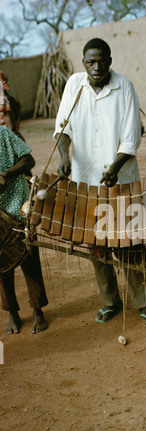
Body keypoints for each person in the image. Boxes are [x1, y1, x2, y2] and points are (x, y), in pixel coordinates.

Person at [54, 38, 146, 327]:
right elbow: (63, 128)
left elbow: (131, 137)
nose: (96, 67)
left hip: (121, 179)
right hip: (86, 180)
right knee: (96, 244)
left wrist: (114, 167)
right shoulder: (74, 85)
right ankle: (110, 301)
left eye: (101, 60)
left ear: (110, 59)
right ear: (83, 62)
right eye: (90, 61)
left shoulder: (124, 86)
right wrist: (65, 156)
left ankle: (143, 303)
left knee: (129, 242)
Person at [0, 126, 48, 334]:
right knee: (1, 265)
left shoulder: (3, 133)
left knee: (29, 256)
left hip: (18, 206)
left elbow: (29, 160)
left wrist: (6, 173)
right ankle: (12, 312)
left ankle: (38, 309)